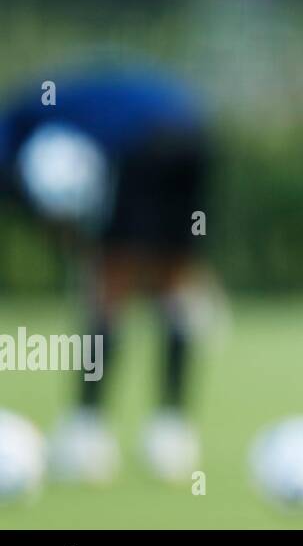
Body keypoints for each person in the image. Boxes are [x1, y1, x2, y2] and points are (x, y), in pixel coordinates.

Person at [0, 64, 220, 485]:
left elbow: (38, 188)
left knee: (108, 289)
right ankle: (171, 434)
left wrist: (75, 239)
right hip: (195, 134)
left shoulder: (15, 127)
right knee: (177, 284)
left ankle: (87, 430)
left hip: (139, 147)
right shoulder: (50, 104)